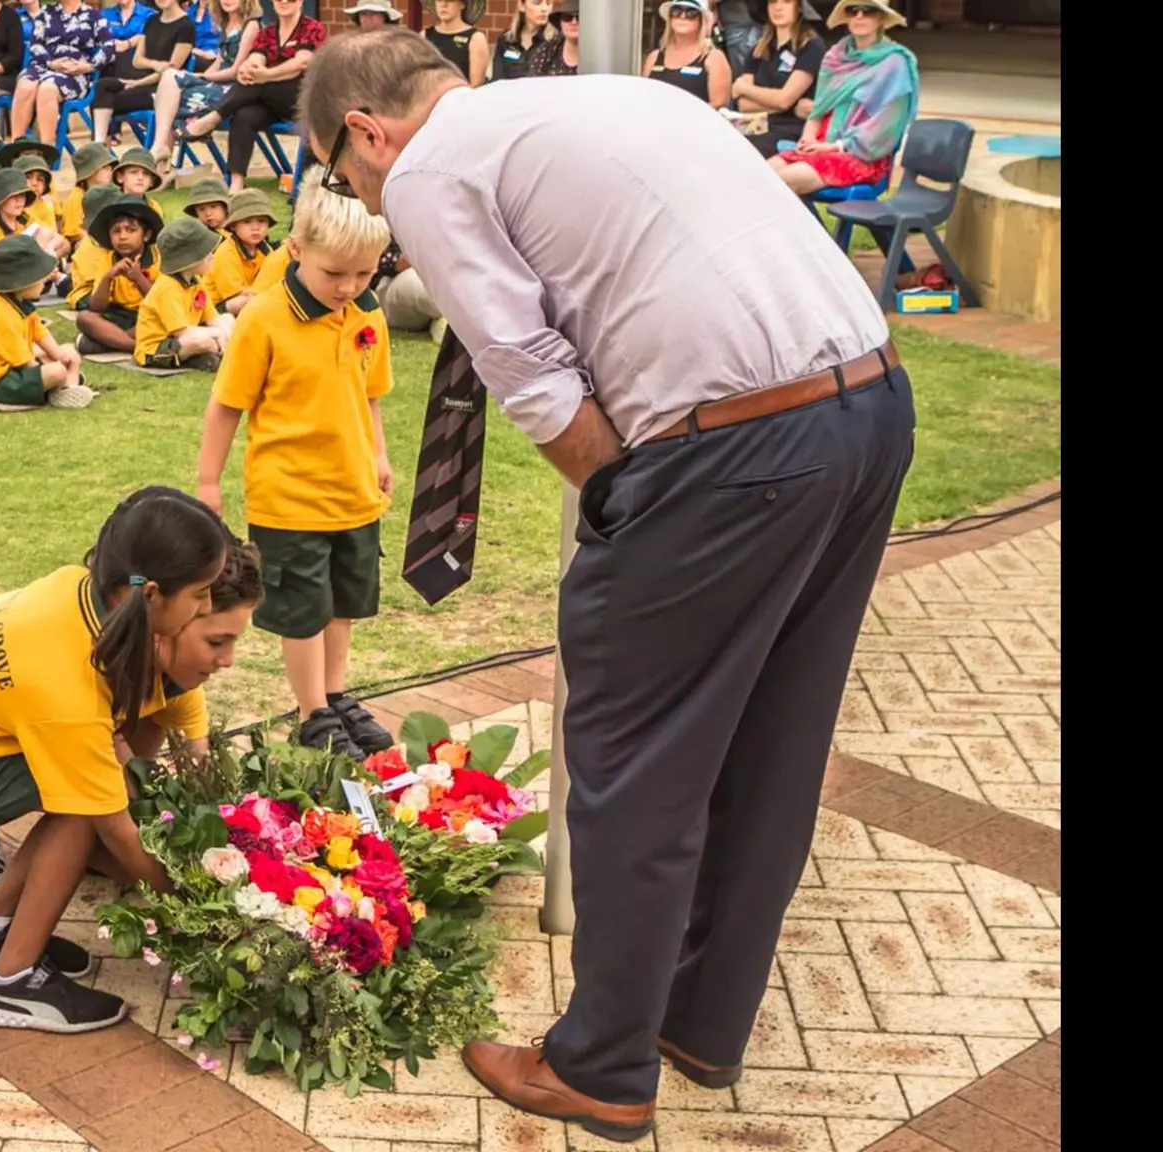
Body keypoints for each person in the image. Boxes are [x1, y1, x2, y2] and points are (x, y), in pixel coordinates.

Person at [302, 30, 916, 1143]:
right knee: (774, 739)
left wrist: (617, 493)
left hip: (733, 447)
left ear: (365, 130)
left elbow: (522, 367)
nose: (374, 208)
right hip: (867, 406)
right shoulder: (600, 100)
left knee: (634, 756)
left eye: (355, 184)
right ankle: (697, 1018)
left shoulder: (432, 164)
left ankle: (600, 1062)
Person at [0, 488, 227, 1031]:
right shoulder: (68, 684)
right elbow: (115, 829)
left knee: (90, 783)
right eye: (200, 593)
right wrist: (193, 904)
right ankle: (8, 983)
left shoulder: (88, 591)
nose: (208, 608)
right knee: (85, 806)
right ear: (150, 596)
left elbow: (166, 701)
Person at [0, 531, 263, 905]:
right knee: (89, 802)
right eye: (216, 642)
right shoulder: (74, 677)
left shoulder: (142, 636)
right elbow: (106, 810)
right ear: (165, 620)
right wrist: (190, 900)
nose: (229, 659)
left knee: (109, 784)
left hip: (8, 712)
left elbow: (194, 746)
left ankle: (89, 842)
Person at [195, 176, 394, 760]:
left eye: (364, 274)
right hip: (289, 499)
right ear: (298, 248)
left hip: (354, 492)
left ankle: (335, 695)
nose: (349, 287)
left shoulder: (366, 313)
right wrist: (209, 482)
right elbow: (227, 404)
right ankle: (312, 712)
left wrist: (379, 455)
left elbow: (371, 394)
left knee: (343, 602)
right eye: (336, 274)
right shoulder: (264, 317)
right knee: (304, 609)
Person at [768, 0, 918, 194]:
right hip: (820, 146)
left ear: (881, 17)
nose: (859, 16)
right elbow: (818, 111)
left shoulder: (894, 64)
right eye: (852, 10)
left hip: (861, 155)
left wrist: (834, 147)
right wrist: (807, 139)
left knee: (779, 182)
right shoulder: (835, 56)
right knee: (761, 175)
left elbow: (885, 129)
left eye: (868, 11)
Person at [179, 0, 322, 192]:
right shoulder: (268, 33)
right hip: (269, 101)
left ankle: (213, 117)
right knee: (244, 115)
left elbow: (301, 64)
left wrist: (267, 75)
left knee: (261, 83)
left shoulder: (312, 28)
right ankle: (236, 184)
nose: (284, 1)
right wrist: (249, 69)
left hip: (300, 102)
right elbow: (255, 59)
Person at [0, 234, 90, 408]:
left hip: (18, 368)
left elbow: (40, 333)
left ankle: (69, 388)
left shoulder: (20, 303)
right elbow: (24, 362)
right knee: (56, 371)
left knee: (69, 352)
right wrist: (53, 368)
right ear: (24, 282)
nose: (45, 282)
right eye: (41, 278)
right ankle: (61, 385)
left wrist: (59, 356)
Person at [144, 0, 258, 166]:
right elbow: (220, 60)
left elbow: (235, 70)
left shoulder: (251, 25)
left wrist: (202, 77)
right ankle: (161, 148)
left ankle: (163, 163)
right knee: (169, 77)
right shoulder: (226, 22)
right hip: (216, 82)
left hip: (234, 89)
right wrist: (196, 76)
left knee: (167, 100)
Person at [9, 0, 111, 144]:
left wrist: (88, 66)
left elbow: (109, 47)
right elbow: (35, 45)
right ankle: (16, 147)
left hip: (74, 73)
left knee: (47, 89)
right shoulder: (45, 13)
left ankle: (47, 150)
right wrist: (50, 63)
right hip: (44, 66)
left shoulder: (94, 16)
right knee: (25, 86)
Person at [91, 0, 193, 142]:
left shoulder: (186, 26)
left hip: (164, 89)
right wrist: (155, 65)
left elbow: (171, 72)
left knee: (105, 99)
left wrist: (136, 83)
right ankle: (99, 145)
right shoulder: (152, 20)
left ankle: (106, 142)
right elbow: (137, 60)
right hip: (143, 79)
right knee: (102, 86)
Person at [135, 217, 231, 369]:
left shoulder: (196, 281)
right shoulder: (167, 287)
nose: (212, 257)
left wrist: (227, 335)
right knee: (201, 341)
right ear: (189, 260)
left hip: (182, 338)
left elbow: (213, 317)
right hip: (157, 347)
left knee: (228, 319)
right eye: (206, 254)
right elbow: (182, 332)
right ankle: (210, 356)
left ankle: (210, 356)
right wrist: (219, 335)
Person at [732, 0, 823, 157]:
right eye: (772, 2)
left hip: (790, 128)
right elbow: (743, 104)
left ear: (799, 7)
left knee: (748, 153)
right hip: (755, 123)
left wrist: (746, 88)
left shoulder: (811, 46)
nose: (778, 7)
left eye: (786, 1)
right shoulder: (758, 49)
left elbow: (784, 100)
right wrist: (788, 105)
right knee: (716, 143)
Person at [72, 194, 160, 354]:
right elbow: (97, 307)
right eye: (116, 231)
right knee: (85, 318)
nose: (123, 236)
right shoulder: (109, 258)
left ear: (146, 235)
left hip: (149, 314)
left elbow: (160, 304)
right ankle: (135, 347)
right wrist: (108, 277)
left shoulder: (158, 257)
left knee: (163, 322)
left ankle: (107, 343)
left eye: (131, 230)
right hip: (119, 315)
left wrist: (138, 278)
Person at [643, 0, 733, 108]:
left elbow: (719, 103)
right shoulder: (654, 57)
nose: (682, 16)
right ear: (670, 18)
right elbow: (644, 97)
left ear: (701, 20)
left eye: (691, 13)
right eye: (676, 11)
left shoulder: (713, 57)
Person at [204, 189, 276, 315]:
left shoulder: (266, 250)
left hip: (253, 297)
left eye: (261, 221)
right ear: (233, 226)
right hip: (213, 307)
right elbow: (234, 293)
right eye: (247, 222)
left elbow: (271, 278)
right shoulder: (226, 252)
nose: (255, 227)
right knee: (244, 302)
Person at [488, 0, 552, 81]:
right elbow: (497, 79)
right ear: (522, 5)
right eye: (537, 3)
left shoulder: (555, 41)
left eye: (548, 3)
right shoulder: (506, 40)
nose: (544, 8)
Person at [526, 0, 581, 76]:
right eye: (567, 17)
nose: (574, 22)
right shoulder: (545, 53)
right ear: (560, 21)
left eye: (580, 17)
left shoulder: (601, 54)